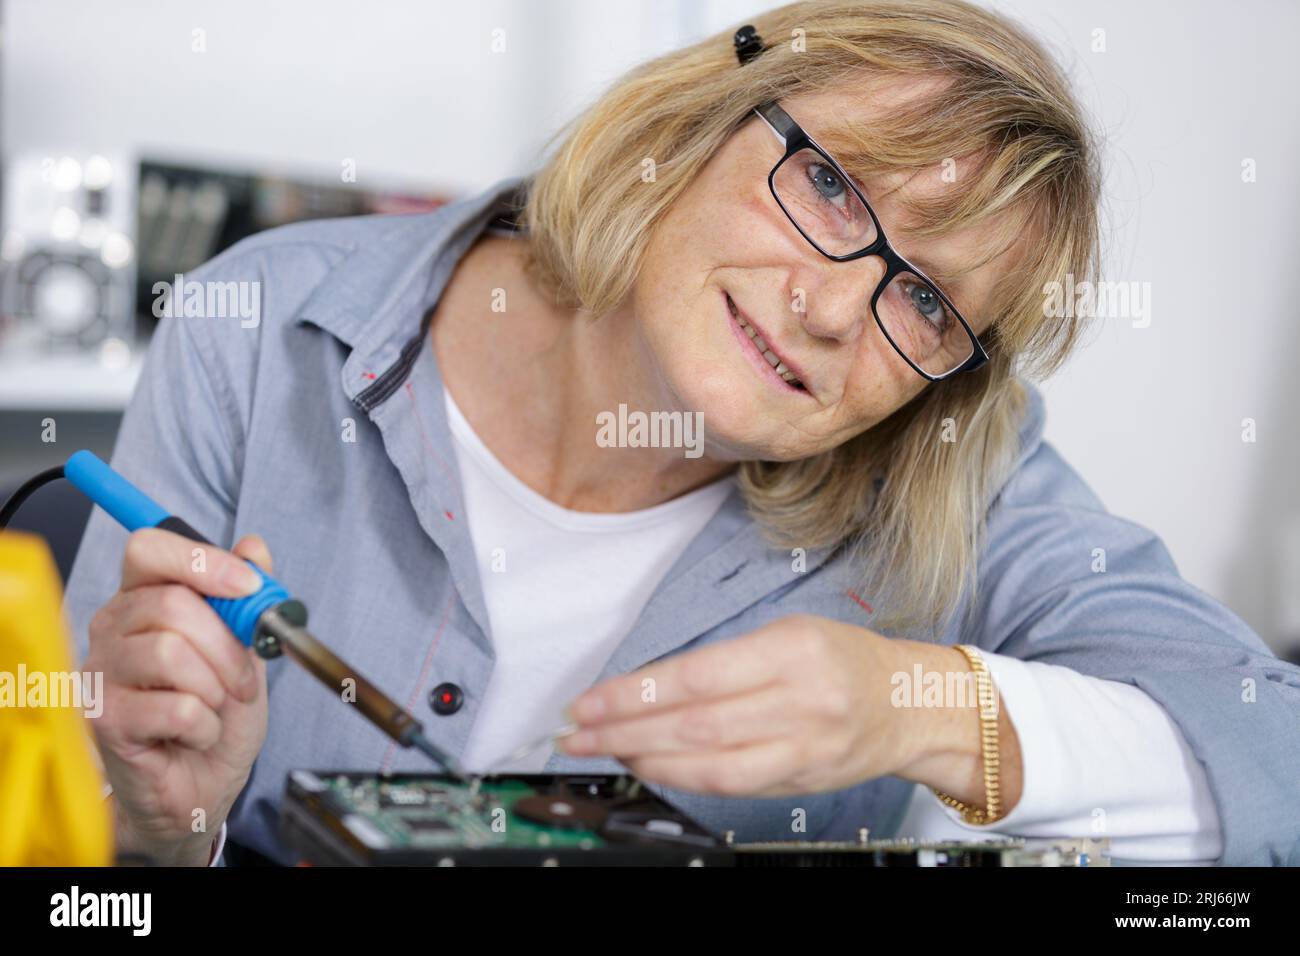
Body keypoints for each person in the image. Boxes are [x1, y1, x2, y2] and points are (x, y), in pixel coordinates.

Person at [64, 0, 1299, 866]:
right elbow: (74, 863)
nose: (831, 310)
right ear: (703, 117)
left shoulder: (955, 471)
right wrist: (167, 829)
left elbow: (1274, 750)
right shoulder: (263, 326)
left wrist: (920, 704)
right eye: (831, 185)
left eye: (926, 301)